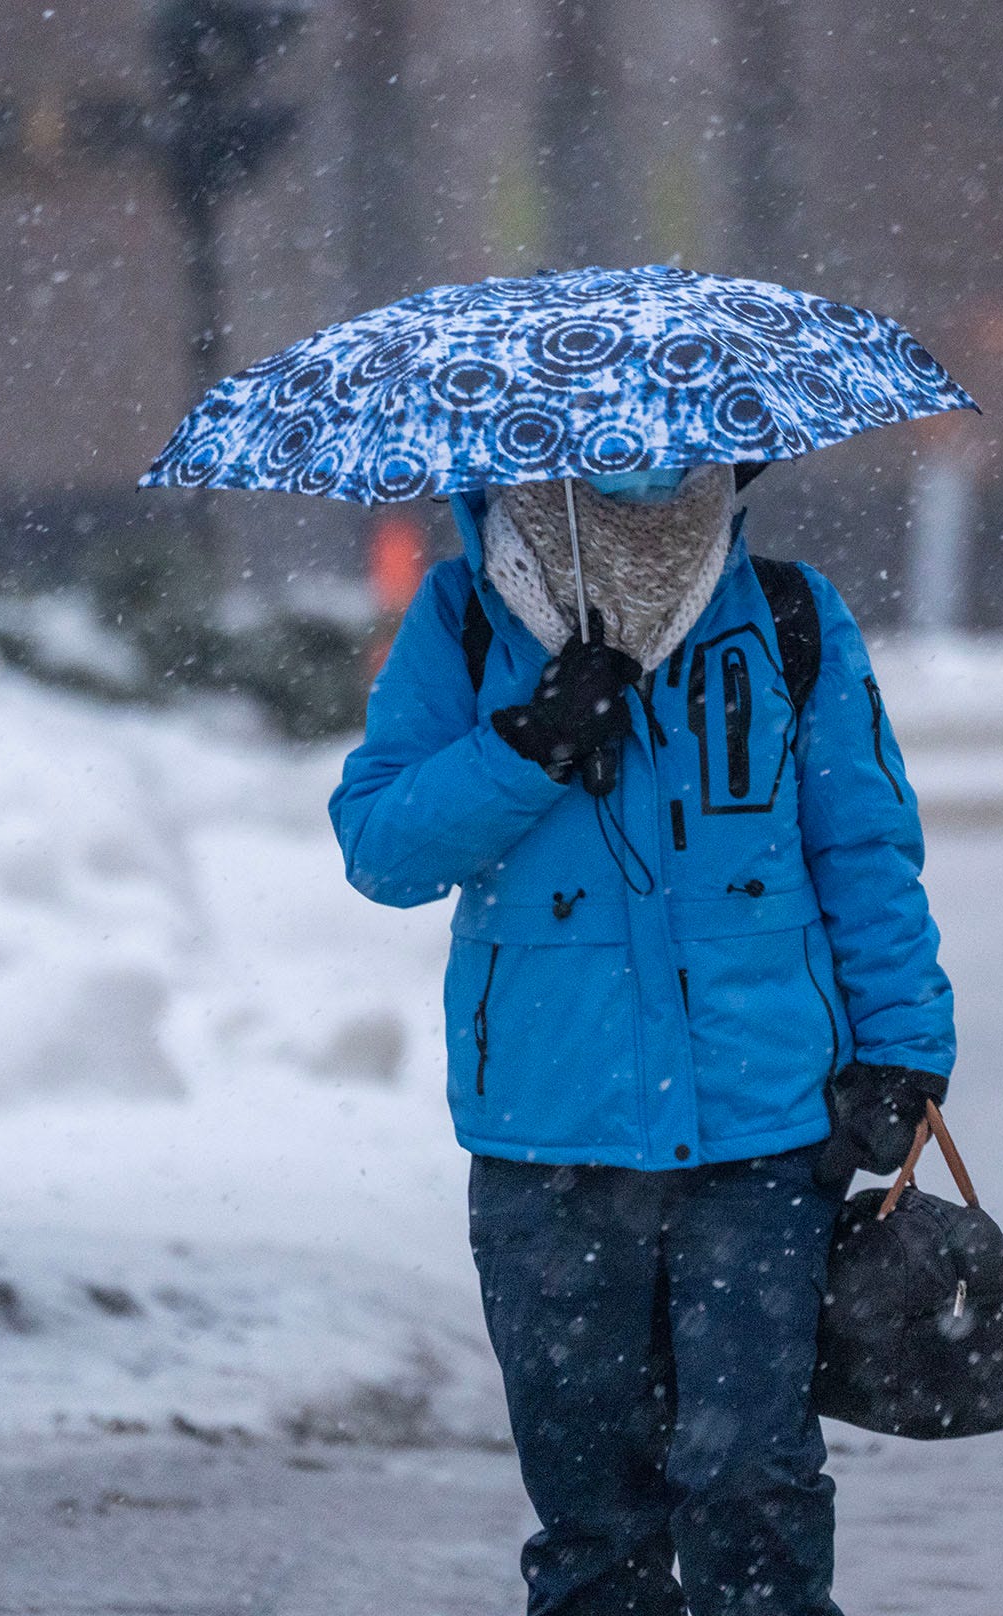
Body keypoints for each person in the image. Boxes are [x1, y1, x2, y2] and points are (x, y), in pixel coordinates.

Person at [329, 461, 953, 1616]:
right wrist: (530, 741)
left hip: (761, 1134)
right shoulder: (465, 618)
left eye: (679, 470)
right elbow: (381, 843)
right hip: (551, 1138)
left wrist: (905, 1047)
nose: (646, 492)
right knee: (591, 1513)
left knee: (753, 1482)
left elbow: (863, 850)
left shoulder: (787, 614)